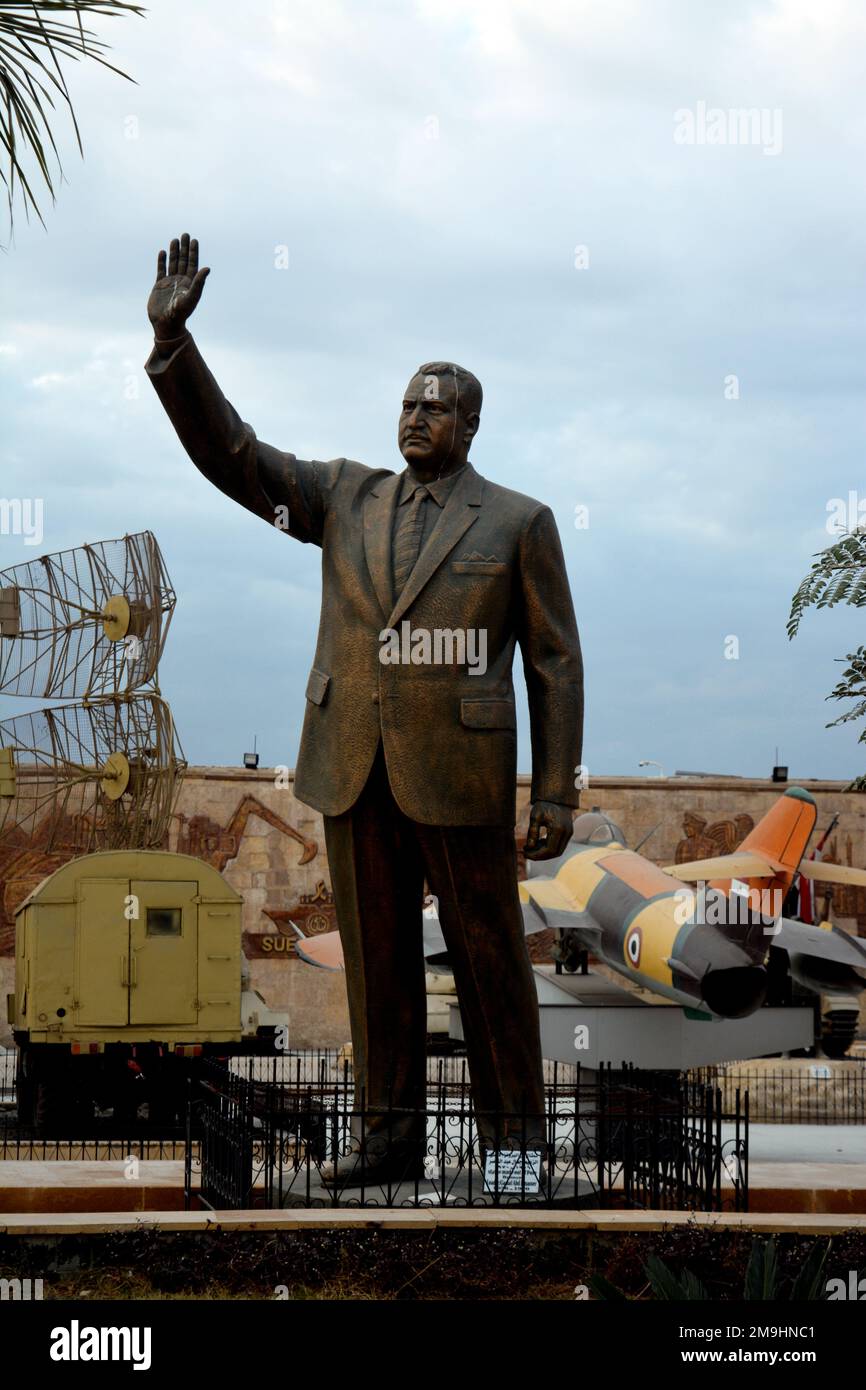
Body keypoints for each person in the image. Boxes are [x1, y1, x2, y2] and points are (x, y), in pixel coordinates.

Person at [145, 233, 584, 1185]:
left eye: (437, 407)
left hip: (461, 774)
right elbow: (238, 460)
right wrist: (177, 352)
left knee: (490, 968)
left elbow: (553, 660)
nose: (417, 416)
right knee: (378, 969)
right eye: (408, 402)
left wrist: (555, 794)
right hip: (351, 762)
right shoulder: (345, 496)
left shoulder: (517, 522)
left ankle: (514, 1152)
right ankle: (388, 1144)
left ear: (471, 427)